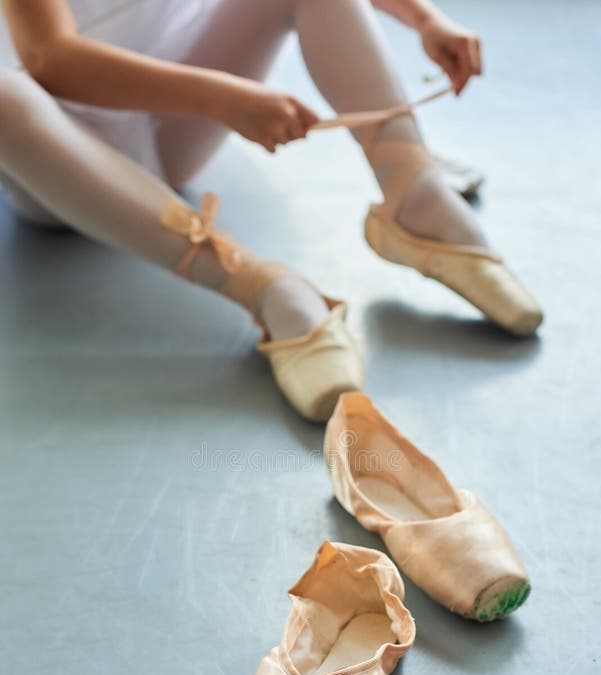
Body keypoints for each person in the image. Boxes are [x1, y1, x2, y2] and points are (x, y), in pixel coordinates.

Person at [0, 0, 542, 421]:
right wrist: (224, 98)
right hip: (54, 157)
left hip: (170, 124)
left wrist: (424, 19)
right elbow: (51, 58)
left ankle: (416, 197)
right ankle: (260, 286)